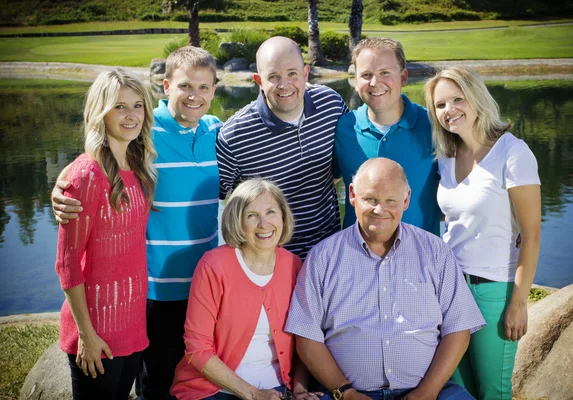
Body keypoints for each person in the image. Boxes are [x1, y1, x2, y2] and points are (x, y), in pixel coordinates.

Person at [51, 46, 223, 400]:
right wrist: (61, 183)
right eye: (186, 86)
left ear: (215, 90)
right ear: (166, 86)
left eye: (205, 87)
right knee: (155, 385)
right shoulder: (146, 130)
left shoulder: (216, 132)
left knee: (191, 382)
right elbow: (94, 161)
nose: (195, 96)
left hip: (203, 288)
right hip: (152, 291)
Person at [285, 158, 486, 400]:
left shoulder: (435, 251)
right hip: (342, 392)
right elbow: (306, 335)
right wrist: (344, 392)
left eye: (390, 201)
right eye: (370, 199)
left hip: (429, 390)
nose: (380, 210)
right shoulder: (323, 257)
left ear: (406, 199)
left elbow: (458, 328)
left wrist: (428, 391)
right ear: (352, 194)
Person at [424, 66, 541, 400]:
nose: (449, 111)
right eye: (440, 105)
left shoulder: (512, 153)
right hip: (450, 290)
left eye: (457, 99)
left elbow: (531, 234)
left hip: (494, 291)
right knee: (457, 389)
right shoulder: (445, 156)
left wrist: (518, 303)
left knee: (493, 391)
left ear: (476, 98)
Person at [54, 69, 156, 399]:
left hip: (131, 326)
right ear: (101, 112)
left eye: (137, 105)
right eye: (119, 107)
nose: (131, 115)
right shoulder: (87, 173)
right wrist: (86, 335)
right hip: (96, 330)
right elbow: (67, 266)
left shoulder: (139, 167)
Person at [170, 179, 318, 400]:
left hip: (279, 389)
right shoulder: (214, 265)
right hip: (213, 390)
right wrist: (253, 394)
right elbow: (197, 348)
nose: (263, 223)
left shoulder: (294, 265)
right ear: (237, 221)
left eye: (270, 212)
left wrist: (299, 389)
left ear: (283, 217)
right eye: (252, 215)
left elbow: (304, 336)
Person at [217, 36, 348, 260]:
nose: (284, 85)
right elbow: (217, 207)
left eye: (292, 74)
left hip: (330, 254)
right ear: (258, 80)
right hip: (269, 263)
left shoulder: (332, 105)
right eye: (273, 77)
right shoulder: (234, 136)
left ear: (306, 73)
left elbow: (341, 166)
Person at [334, 37, 439, 235]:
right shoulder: (344, 128)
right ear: (355, 82)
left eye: (385, 73)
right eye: (366, 74)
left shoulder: (433, 125)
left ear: (404, 77)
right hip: (356, 256)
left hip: (421, 257)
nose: (375, 82)